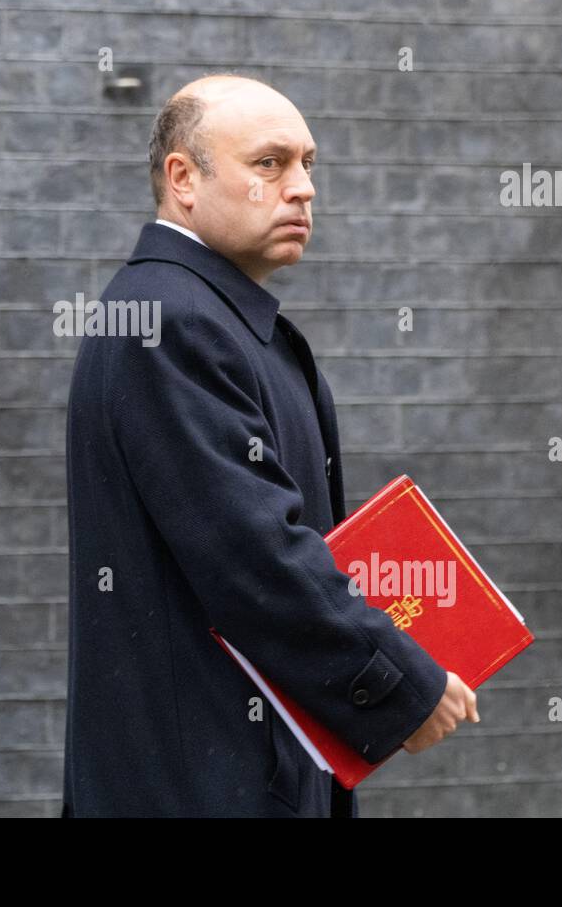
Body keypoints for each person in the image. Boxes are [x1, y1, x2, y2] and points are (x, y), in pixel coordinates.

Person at [60, 73, 478, 817]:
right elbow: (256, 556)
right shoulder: (170, 324)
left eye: (308, 164)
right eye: (269, 164)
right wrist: (398, 684)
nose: (302, 188)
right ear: (183, 179)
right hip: (205, 789)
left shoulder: (208, 319)